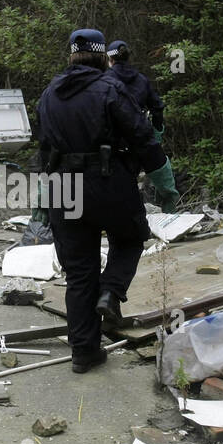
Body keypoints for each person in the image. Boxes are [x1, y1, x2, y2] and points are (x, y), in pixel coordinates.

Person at [37, 29, 168, 372]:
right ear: (101, 57)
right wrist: (162, 177)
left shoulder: (49, 94)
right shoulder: (111, 89)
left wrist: (42, 194)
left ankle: (84, 352)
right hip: (107, 181)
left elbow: (44, 148)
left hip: (63, 185)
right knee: (130, 238)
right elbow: (142, 135)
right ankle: (110, 291)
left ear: (71, 56)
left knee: (79, 272)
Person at [105, 39, 178, 213]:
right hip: (145, 140)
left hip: (119, 146)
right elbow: (158, 108)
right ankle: (171, 221)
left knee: (122, 190)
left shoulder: (105, 81)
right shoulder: (141, 79)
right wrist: (157, 132)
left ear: (110, 60)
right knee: (166, 184)